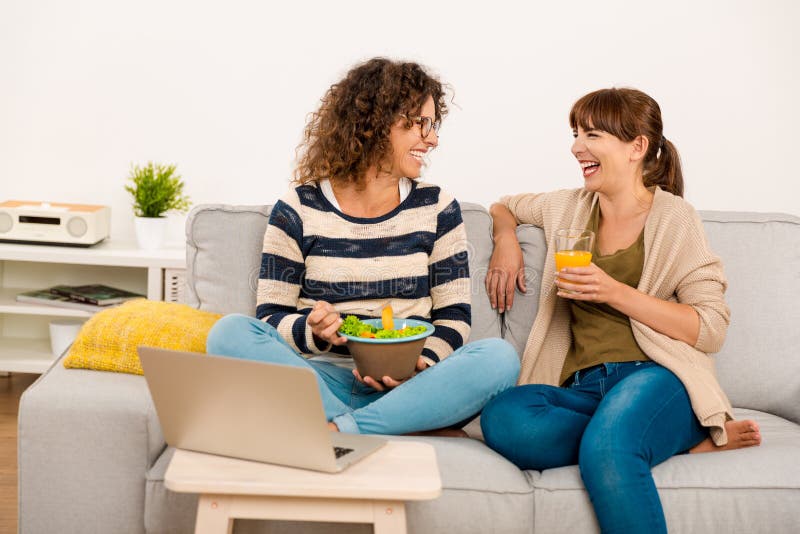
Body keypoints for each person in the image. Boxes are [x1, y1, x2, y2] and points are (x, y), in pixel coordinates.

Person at [479, 87, 761, 533]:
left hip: (657, 378)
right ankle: (665, 439)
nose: (577, 148)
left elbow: (710, 328)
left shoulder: (675, 218)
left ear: (637, 147)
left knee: (609, 448)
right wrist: (505, 241)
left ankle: (635, 435)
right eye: (575, 134)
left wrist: (614, 292)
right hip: (585, 388)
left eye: (592, 135)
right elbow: (504, 206)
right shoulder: (567, 206)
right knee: (504, 418)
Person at [206, 57, 519, 436]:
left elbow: (454, 318)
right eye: (420, 123)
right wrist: (314, 330)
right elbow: (270, 316)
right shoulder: (297, 208)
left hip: (411, 389)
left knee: (499, 357)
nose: (433, 139)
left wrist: (418, 368)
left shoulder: (437, 207)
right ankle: (380, 425)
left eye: (433, 125)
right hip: (322, 380)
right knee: (229, 333)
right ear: (374, 123)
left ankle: (341, 428)